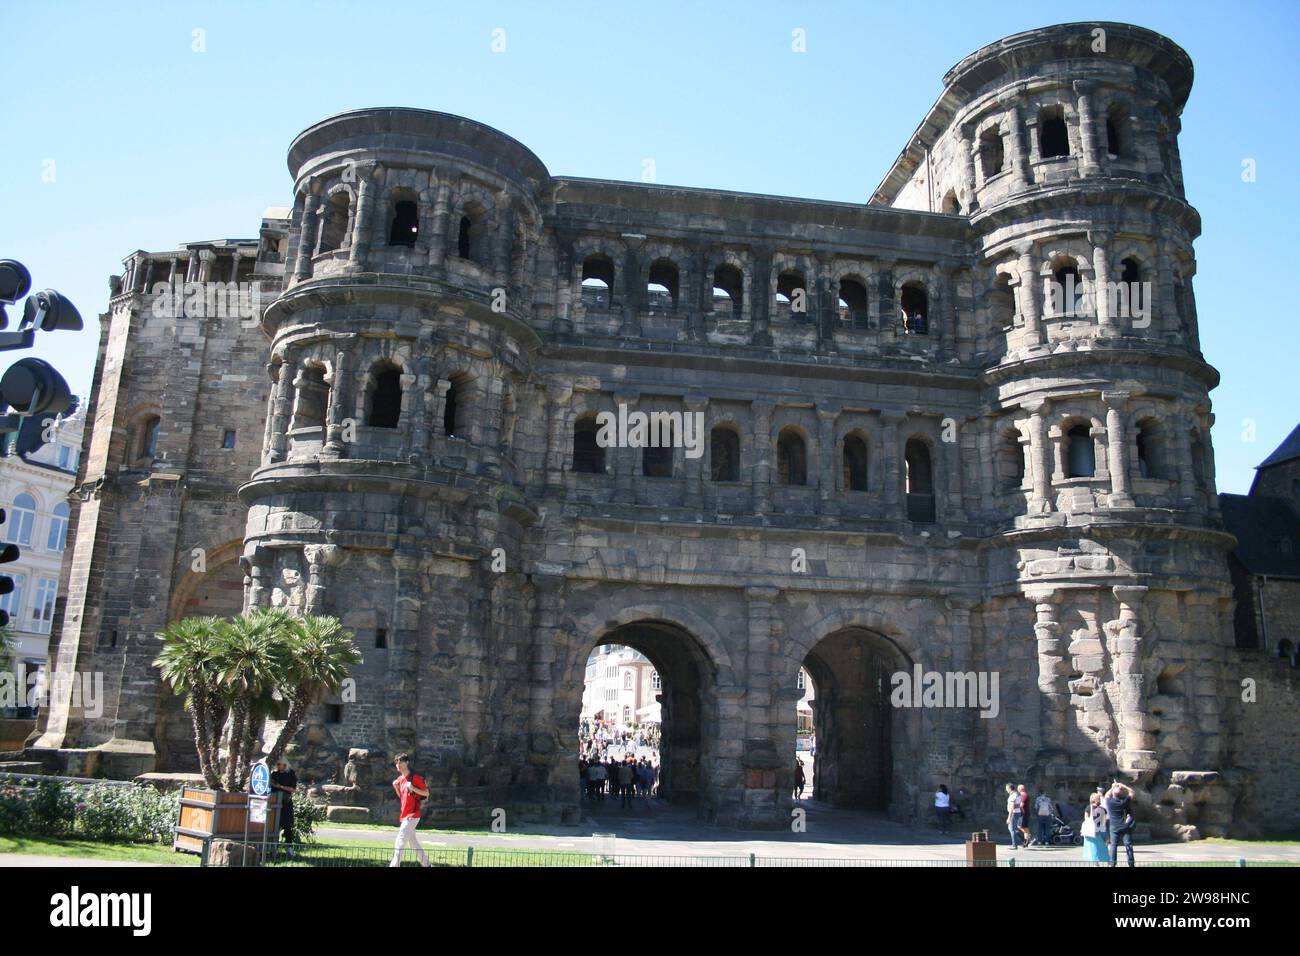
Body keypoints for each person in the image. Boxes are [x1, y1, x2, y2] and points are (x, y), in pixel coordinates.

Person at [390, 753, 430, 867]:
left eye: (401, 762)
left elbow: (426, 794)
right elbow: (402, 797)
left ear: (407, 763)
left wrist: (413, 787)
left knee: (400, 841)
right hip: (404, 815)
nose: (398, 765)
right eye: (396, 763)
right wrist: (396, 787)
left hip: (413, 815)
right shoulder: (400, 779)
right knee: (414, 844)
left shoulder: (415, 778)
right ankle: (427, 865)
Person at [269, 758, 297, 856]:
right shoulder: (274, 774)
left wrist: (280, 786)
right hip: (275, 802)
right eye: (277, 764)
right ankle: (274, 848)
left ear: (285, 764)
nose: (279, 766)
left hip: (286, 802)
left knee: (287, 825)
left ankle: (289, 848)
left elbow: (293, 789)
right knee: (275, 825)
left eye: (280, 764)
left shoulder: (291, 774)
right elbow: (271, 786)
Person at [1105, 781, 1136, 867]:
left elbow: (1106, 795)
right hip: (1124, 826)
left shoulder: (1109, 802)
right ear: (1121, 793)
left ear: (1113, 794)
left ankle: (1112, 863)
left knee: (1113, 845)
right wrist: (1124, 786)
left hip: (1114, 826)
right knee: (1128, 845)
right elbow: (1132, 792)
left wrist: (1112, 787)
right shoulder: (1124, 802)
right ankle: (1131, 863)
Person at [1081, 791, 1109, 862]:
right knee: (1103, 846)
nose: (1099, 800)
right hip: (1101, 830)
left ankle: (1095, 863)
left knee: (1093, 848)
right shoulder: (1103, 809)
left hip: (1092, 831)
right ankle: (1108, 861)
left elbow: (1086, 819)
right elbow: (1104, 821)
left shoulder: (1088, 808)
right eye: (1098, 798)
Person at [1005, 783, 1022, 849]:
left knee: (1011, 829)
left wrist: (1009, 818)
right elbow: (1019, 804)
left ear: (1009, 788)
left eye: (1006, 788)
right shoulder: (1018, 794)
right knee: (1013, 828)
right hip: (1018, 812)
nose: (1006, 790)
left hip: (1013, 813)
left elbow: (1012, 807)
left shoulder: (1012, 796)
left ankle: (1014, 845)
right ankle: (1023, 839)